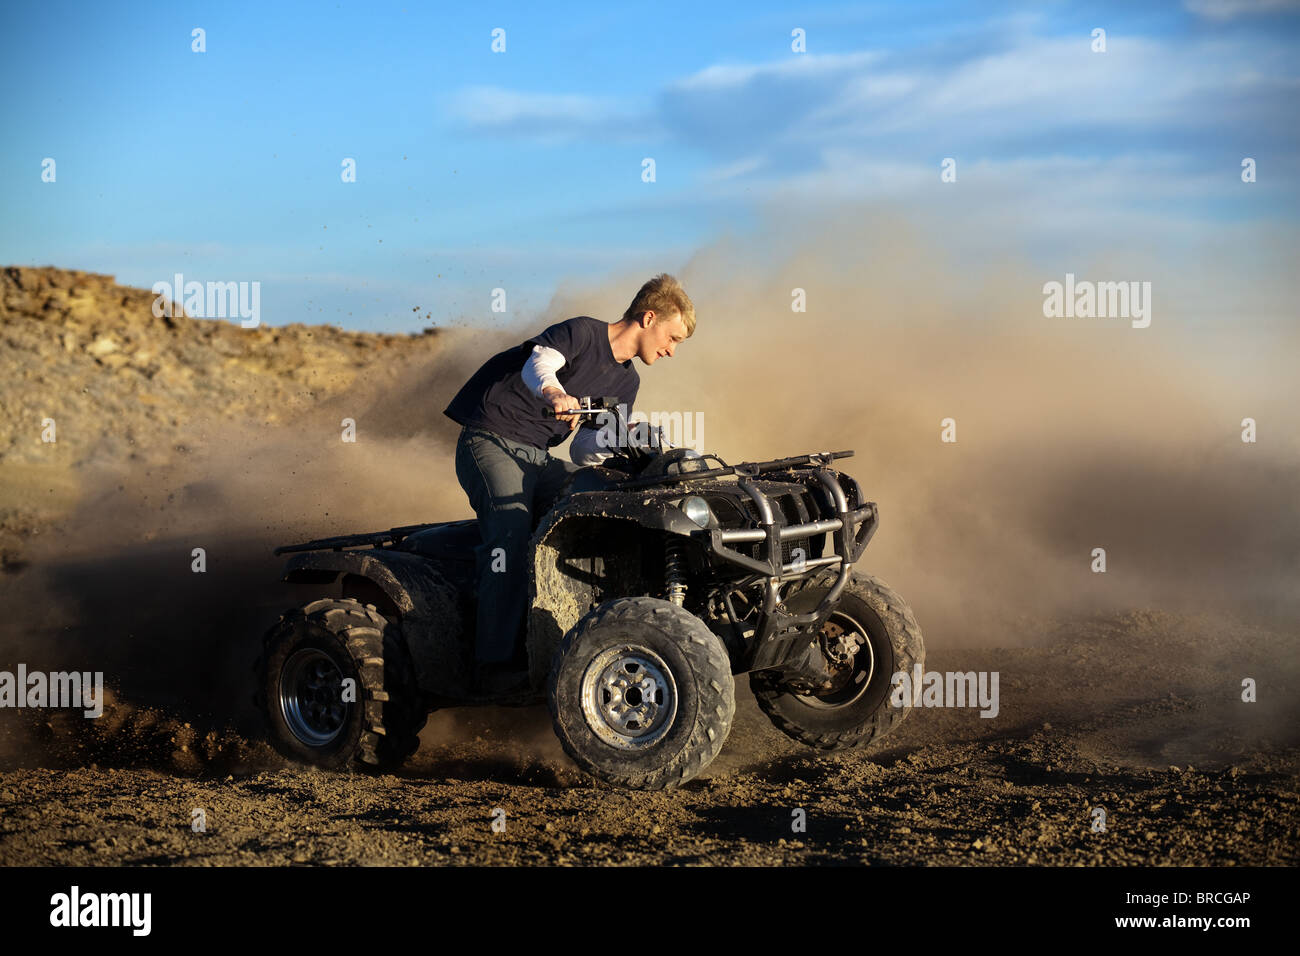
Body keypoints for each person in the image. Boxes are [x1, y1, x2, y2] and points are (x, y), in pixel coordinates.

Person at [443, 274, 696, 694]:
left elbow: (583, 450)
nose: (672, 350)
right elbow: (538, 364)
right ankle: (492, 668)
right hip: (490, 440)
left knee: (597, 504)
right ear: (649, 317)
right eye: (673, 338)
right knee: (509, 539)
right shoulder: (581, 332)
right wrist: (554, 392)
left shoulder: (627, 382)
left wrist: (630, 435)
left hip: (540, 461)